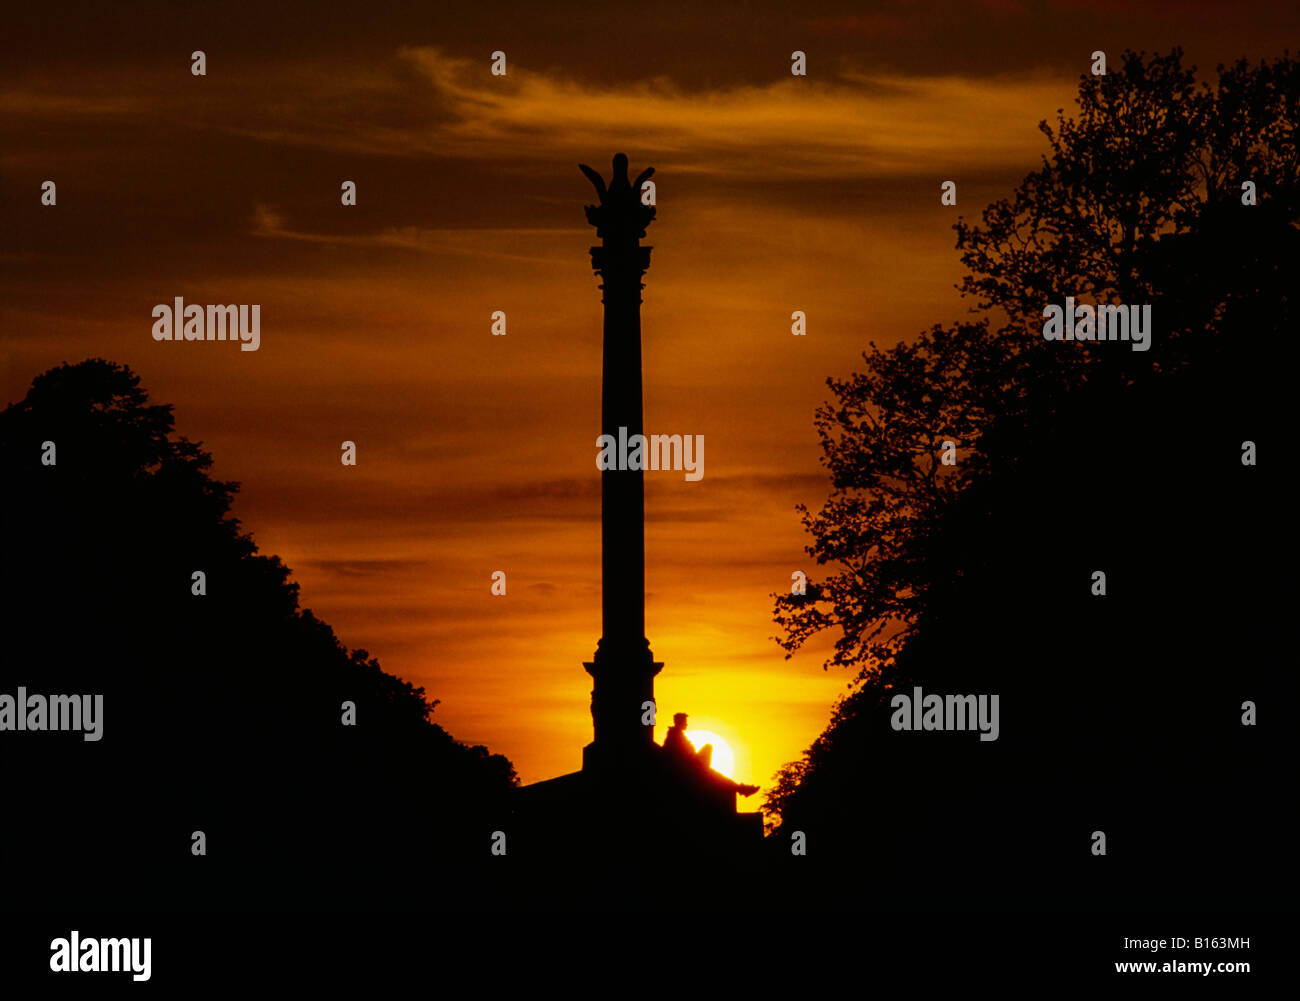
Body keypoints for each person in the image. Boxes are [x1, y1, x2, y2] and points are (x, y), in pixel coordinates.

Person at [662, 713, 759, 797]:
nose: (686, 723)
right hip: (688, 767)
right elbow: (675, 755)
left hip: (692, 764)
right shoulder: (674, 735)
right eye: (684, 721)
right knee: (709, 751)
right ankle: (741, 789)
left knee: (717, 775)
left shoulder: (677, 734)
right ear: (679, 722)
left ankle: (741, 788)